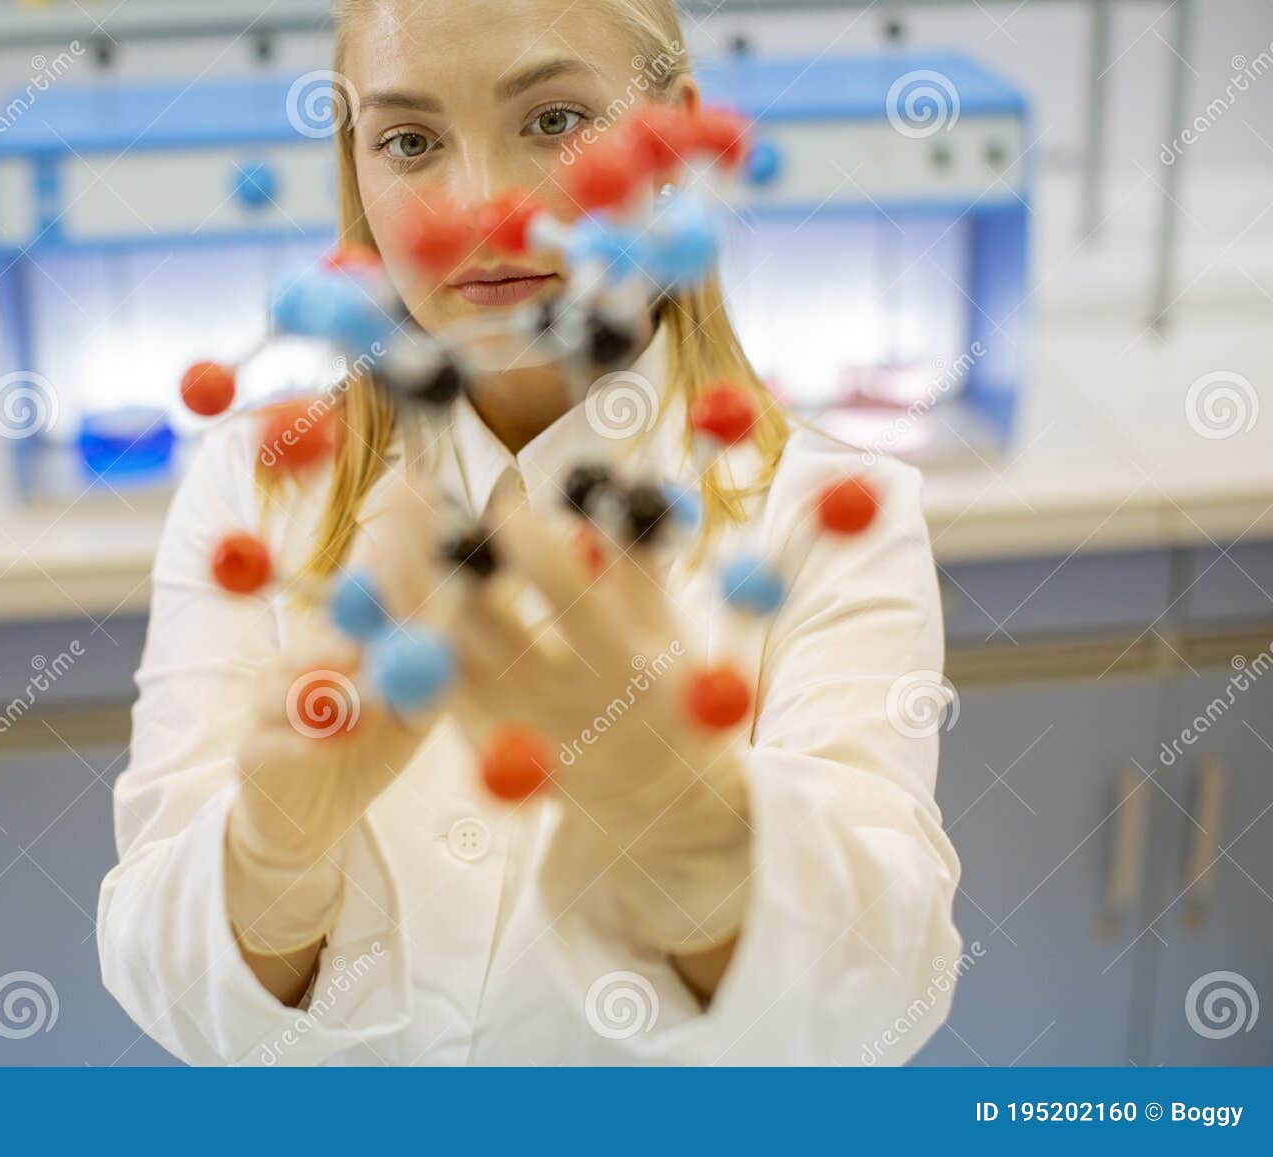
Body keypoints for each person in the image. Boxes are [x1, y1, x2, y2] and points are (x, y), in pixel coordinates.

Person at [97, 0, 962, 1066]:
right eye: (410, 141)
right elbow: (156, 975)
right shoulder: (258, 488)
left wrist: (702, 852)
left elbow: (883, 1009)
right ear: (353, 164)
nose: (482, 209)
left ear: (674, 136)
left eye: (554, 122)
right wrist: (269, 868)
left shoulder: (828, 514)